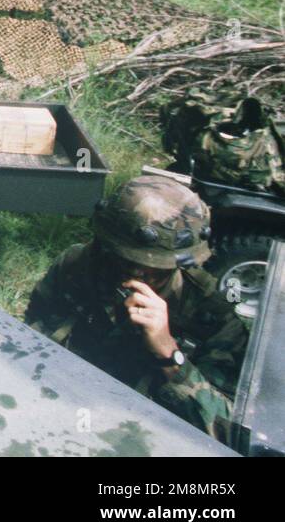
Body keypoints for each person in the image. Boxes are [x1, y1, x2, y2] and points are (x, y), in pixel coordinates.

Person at [25, 175, 248, 442]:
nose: (135, 273)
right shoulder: (79, 264)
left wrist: (168, 353)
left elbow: (229, 434)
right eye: (123, 259)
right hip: (61, 406)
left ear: (179, 262)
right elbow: (33, 331)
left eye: (154, 269)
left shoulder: (214, 315)